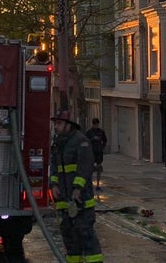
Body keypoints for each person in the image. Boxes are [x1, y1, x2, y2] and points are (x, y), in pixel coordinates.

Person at [50, 110, 103, 263]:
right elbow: (54, 166)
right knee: (69, 236)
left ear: (68, 125)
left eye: (59, 123)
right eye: (55, 123)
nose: (56, 127)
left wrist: (77, 188)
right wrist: (53, 184)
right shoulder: (58, 143)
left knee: (85, 233)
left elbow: (85, 167)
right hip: (63, 198)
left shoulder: (81, 141)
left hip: (81, 199)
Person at [84, 118, 108, 184]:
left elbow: (105, 140)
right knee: (90, 168)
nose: (96, 126)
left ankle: (98, 183)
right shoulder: (89, 132)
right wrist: (92, 139)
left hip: (99, 152)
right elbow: (85, 141)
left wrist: (102, 147)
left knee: (99, 167)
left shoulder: (101, 131)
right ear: (93, 124)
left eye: (97, 124)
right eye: (95, 124)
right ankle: (90, 182)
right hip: (91, 152)